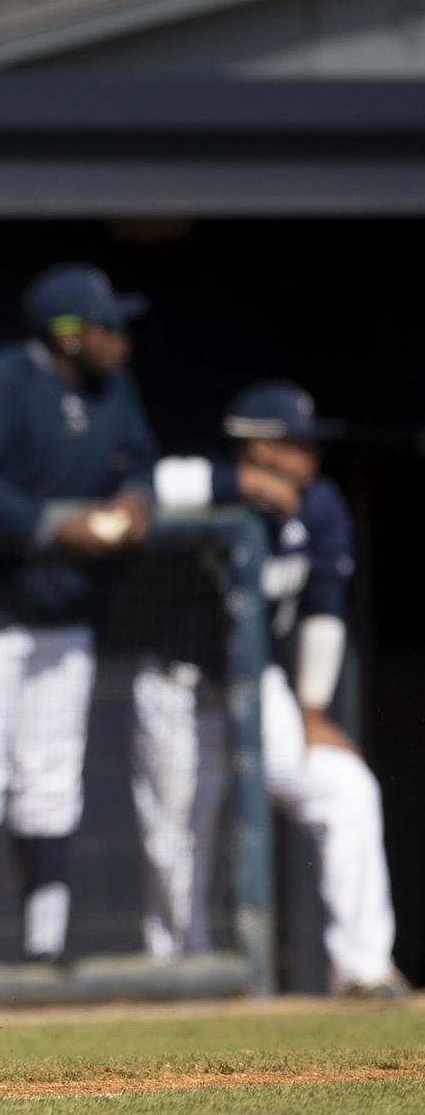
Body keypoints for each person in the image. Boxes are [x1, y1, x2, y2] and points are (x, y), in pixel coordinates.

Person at [134, 382, 406, 996]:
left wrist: (313, 706)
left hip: (262, 689)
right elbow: (149, 485)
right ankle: (185, 976)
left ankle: (363, 968)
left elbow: (324, 605)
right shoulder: (210, 484)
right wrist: (242, 489)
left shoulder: (321, 505)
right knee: (179, 838)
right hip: (182, 689)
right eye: (295, 443)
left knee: (346, 788)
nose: (309, 456)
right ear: (257, 447)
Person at [0, 262, 157, 964]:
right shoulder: (4, 380)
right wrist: (45, 525)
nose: (120, 339)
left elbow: (141, 460)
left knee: (52, 773)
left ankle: (44, 947)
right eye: (106, 325)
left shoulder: (113, 388)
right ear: (67, 334)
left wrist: (136, 498)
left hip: (63, 612)